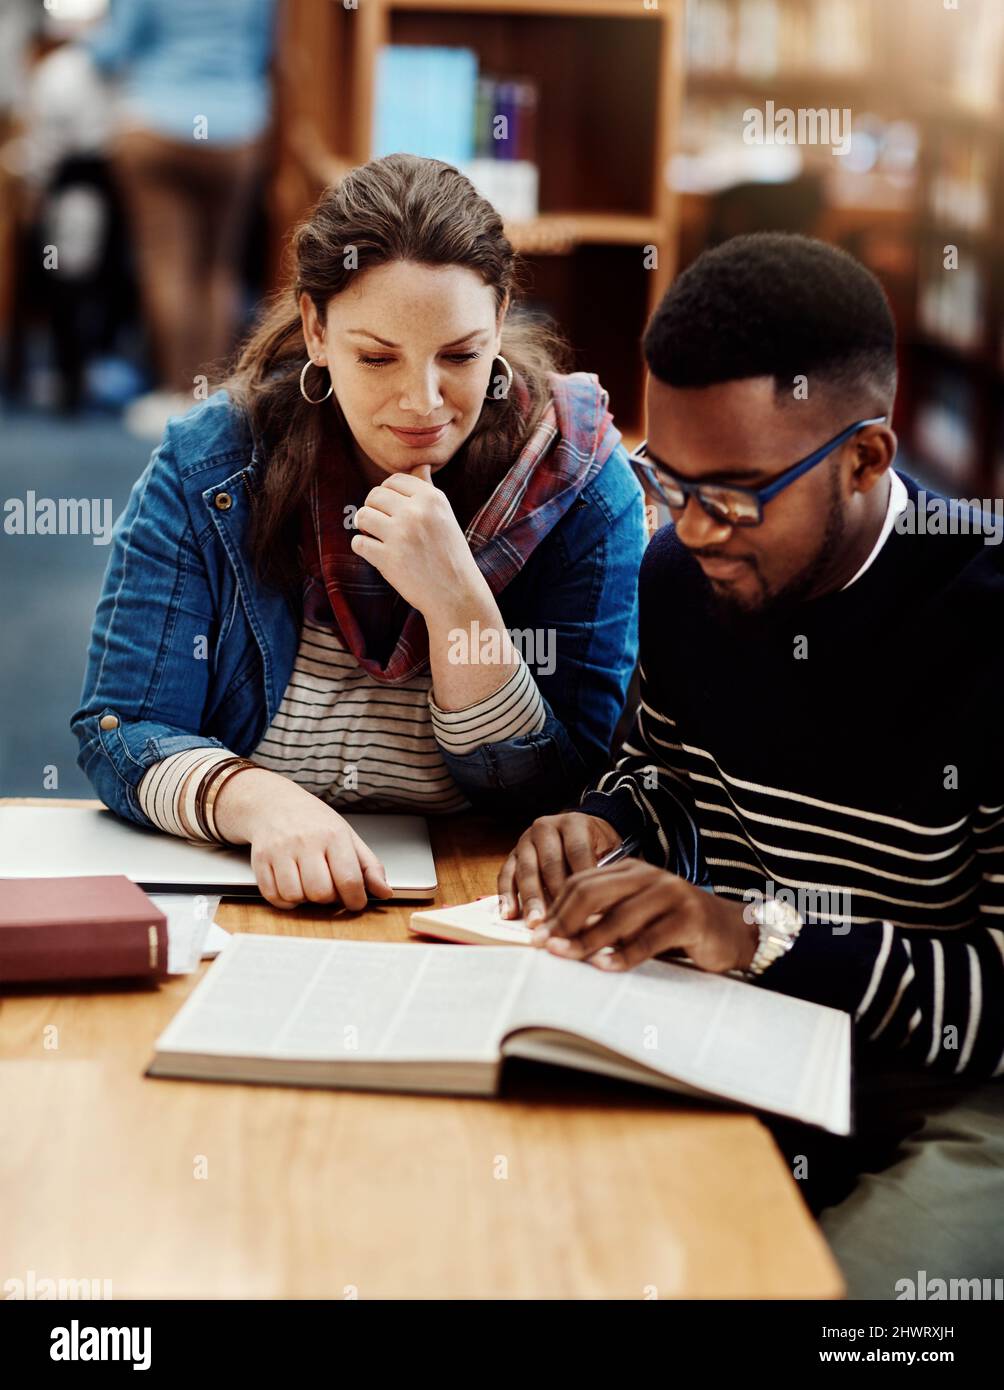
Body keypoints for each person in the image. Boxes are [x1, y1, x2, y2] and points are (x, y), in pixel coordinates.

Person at [498, 232, 1004, 1298]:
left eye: (731, 491)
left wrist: (749, 931)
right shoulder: (686, 576)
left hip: (956, 1093)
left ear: (866, 457)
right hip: (752, 1032)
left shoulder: (984, 635)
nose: (691, 525)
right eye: (666, 478)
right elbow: (658, 771)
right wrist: (604, 822)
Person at [71, 152, 646, 912]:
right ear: (315, 328)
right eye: (377, 357)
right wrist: (262, 803)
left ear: (501, 320)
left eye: (462, 354)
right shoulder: (212, 464)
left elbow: (576, 794)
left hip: (474, 902)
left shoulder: (581, 485)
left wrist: (459, 610)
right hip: (248, 889)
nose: (423, 401)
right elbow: (119, 727)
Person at [82, 0, 277, 437]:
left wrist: (92, 38)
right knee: (219, 265)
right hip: (236, 127)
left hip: (158, 120)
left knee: (167, 264)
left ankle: (173, 393)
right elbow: (266, 47)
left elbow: (113, 49)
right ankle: (206, 397)